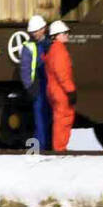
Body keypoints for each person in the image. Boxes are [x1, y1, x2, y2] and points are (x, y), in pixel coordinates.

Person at [18, 14, 50, 150]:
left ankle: (49, 147)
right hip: (37, 85)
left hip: (50, 85)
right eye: (33, 32)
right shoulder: (28, 47)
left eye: (37, 30)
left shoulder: (50, 44)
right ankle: (39, 148)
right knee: (40, 119)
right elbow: (25, 69)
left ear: (44, 29)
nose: (35, 34)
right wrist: (29, 87)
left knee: (49, 117)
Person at [44, 20, 77, 152]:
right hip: (60, 91)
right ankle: (60, 148)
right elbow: (62, 74)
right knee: (63, 118)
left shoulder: (53, 49)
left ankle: (60, 147)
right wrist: (71, 90)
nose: (66, 35)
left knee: (61, 118)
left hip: (54, 90)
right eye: (64, 33)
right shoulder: (59, 50)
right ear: (56, 35)